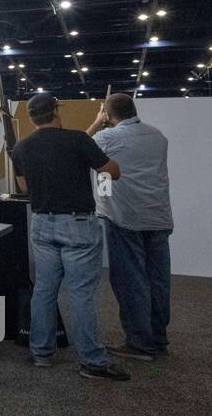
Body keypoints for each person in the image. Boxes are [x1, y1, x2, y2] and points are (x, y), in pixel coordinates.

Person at [10, 92, 127, 381]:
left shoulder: (21, 148)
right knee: (81, 294)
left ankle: (41, 353)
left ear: (32, 117)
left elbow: (24, 188)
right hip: (77, 224)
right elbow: (112, 172)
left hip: (41, 223)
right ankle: (91, 361)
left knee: (44, 290)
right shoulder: (77, 140)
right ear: (56, 111)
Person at [88, 94, 173, 361]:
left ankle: (139, 343)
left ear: (109, 114)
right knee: (157, 280)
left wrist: (97, 121)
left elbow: (77, 145)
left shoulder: (108, 138)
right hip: (158, 217)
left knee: (131, 280)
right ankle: (157, 338)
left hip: (124, 217)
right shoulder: (157, 136)